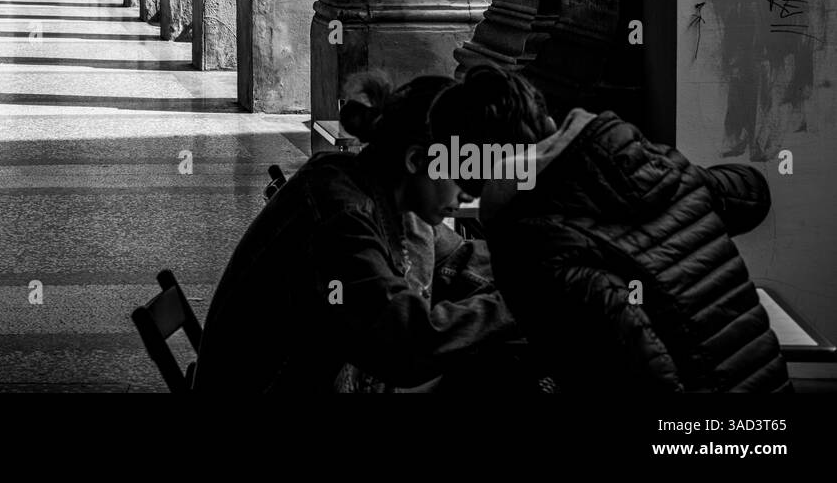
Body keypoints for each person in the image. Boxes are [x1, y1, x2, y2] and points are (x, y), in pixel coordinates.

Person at [426, 65, 791, 393]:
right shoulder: (648, 162)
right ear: (550, 124)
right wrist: (692, 183)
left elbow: (621, 366)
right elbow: (752, 193)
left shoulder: (530, 243)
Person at [192, 72, 522, 393]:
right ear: (416, 159)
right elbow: (402, 346)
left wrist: (539, 270)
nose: (468, 194)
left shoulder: (392, 194)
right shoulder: (342, 217)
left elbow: (458, 259)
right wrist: (521, 305)